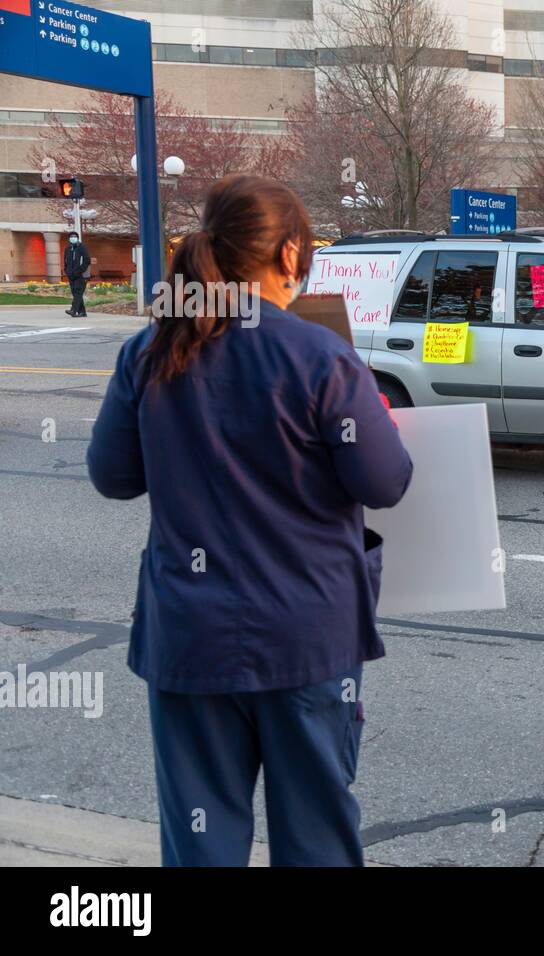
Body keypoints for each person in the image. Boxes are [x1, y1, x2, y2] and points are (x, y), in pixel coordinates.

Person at [87, 174, 413, 866]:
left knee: (202, 846)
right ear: (290, 257)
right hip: (306, 640)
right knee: (316, 842)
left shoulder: (148, 352)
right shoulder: (322, 356)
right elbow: (384, 482)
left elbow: (113, 477)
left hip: (189, 641)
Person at [63, 232, 91, 317]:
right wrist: (67, 271)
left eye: (74, 237)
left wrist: (79, 271)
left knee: (78, 292)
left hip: (81, 275)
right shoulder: (68, 248)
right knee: (75, 293)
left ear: (77, 238)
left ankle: (73, 310)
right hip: (71, 275)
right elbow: (65, 261)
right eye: (71, 237)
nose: (73, 238)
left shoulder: (82, 247)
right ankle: (82, 312)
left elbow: (87, 261)